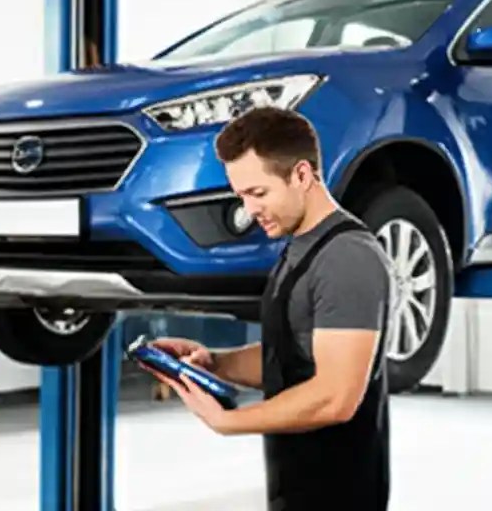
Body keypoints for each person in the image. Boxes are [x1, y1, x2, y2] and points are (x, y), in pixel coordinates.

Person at [143, 106, 394, 511]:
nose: (248, 209)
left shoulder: (348, 258)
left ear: (301, 175)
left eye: (258, 193)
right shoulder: (298, 248)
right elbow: (294, 357)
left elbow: (336, 396)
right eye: (241, 194)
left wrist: (229, 422)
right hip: (294, 490)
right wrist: (212, 364)